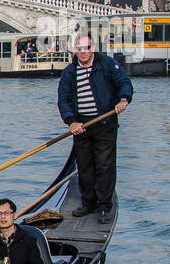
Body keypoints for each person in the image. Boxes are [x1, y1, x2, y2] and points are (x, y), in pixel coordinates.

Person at [57, 34, 132, 224]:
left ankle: (104, 206)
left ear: (93, 48)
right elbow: (63, 100)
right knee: (84, 166)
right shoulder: (69, 72)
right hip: (81, 126)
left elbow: (124, 82)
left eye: (87, 48)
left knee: (104, 165)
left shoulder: (106, 64)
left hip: (105, 123)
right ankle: (88, 203)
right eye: (80, 48)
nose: (83, 52)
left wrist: (123, 99)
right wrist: (71, 121)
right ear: (76, 50)